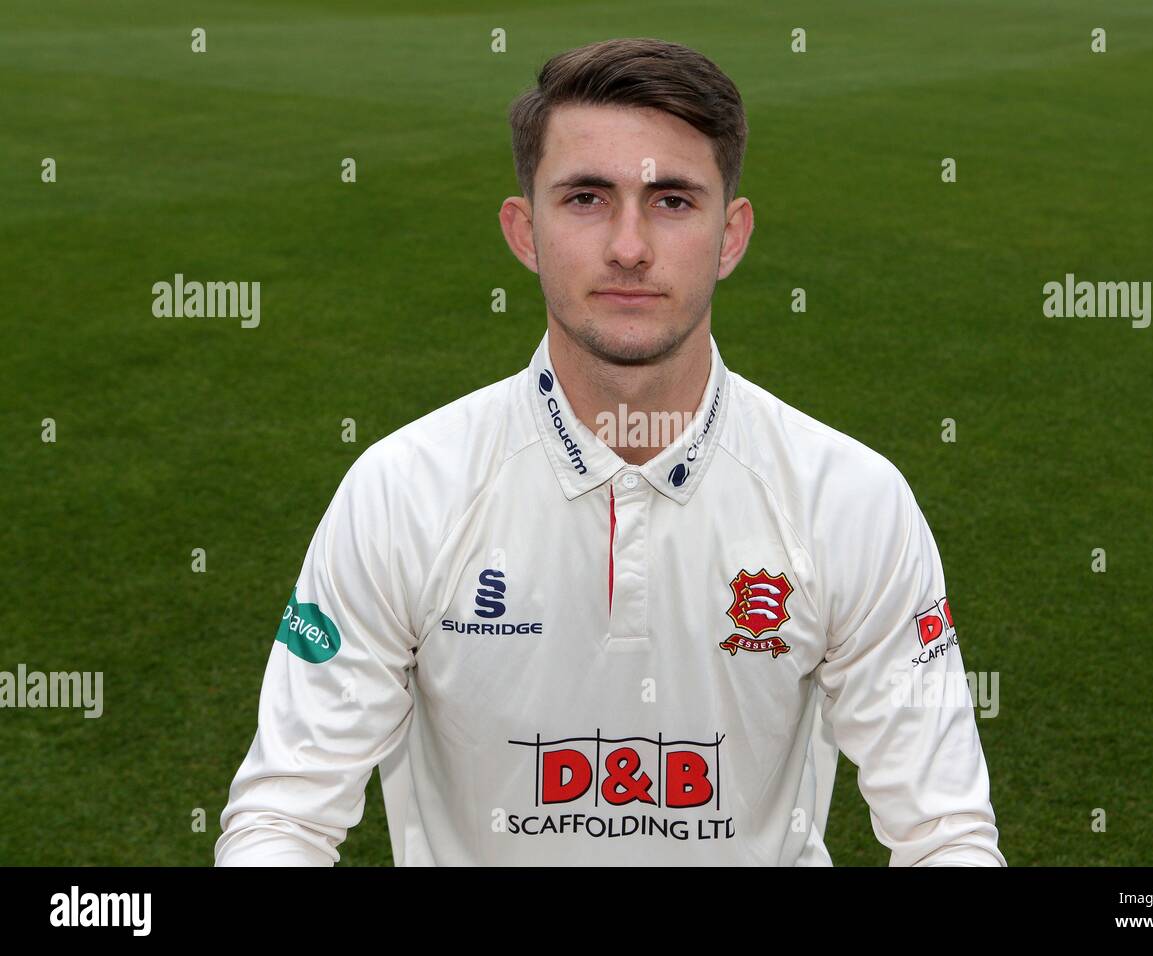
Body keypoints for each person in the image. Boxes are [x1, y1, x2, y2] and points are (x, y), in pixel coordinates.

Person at [215, 37, 1006, 866]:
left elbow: (943, 833)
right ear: (524, 231)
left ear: (731, 235)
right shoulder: (404, 490)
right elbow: (286, 818)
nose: (629, 247)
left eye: (671, 201)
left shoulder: (850, 498)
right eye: (587, 198)